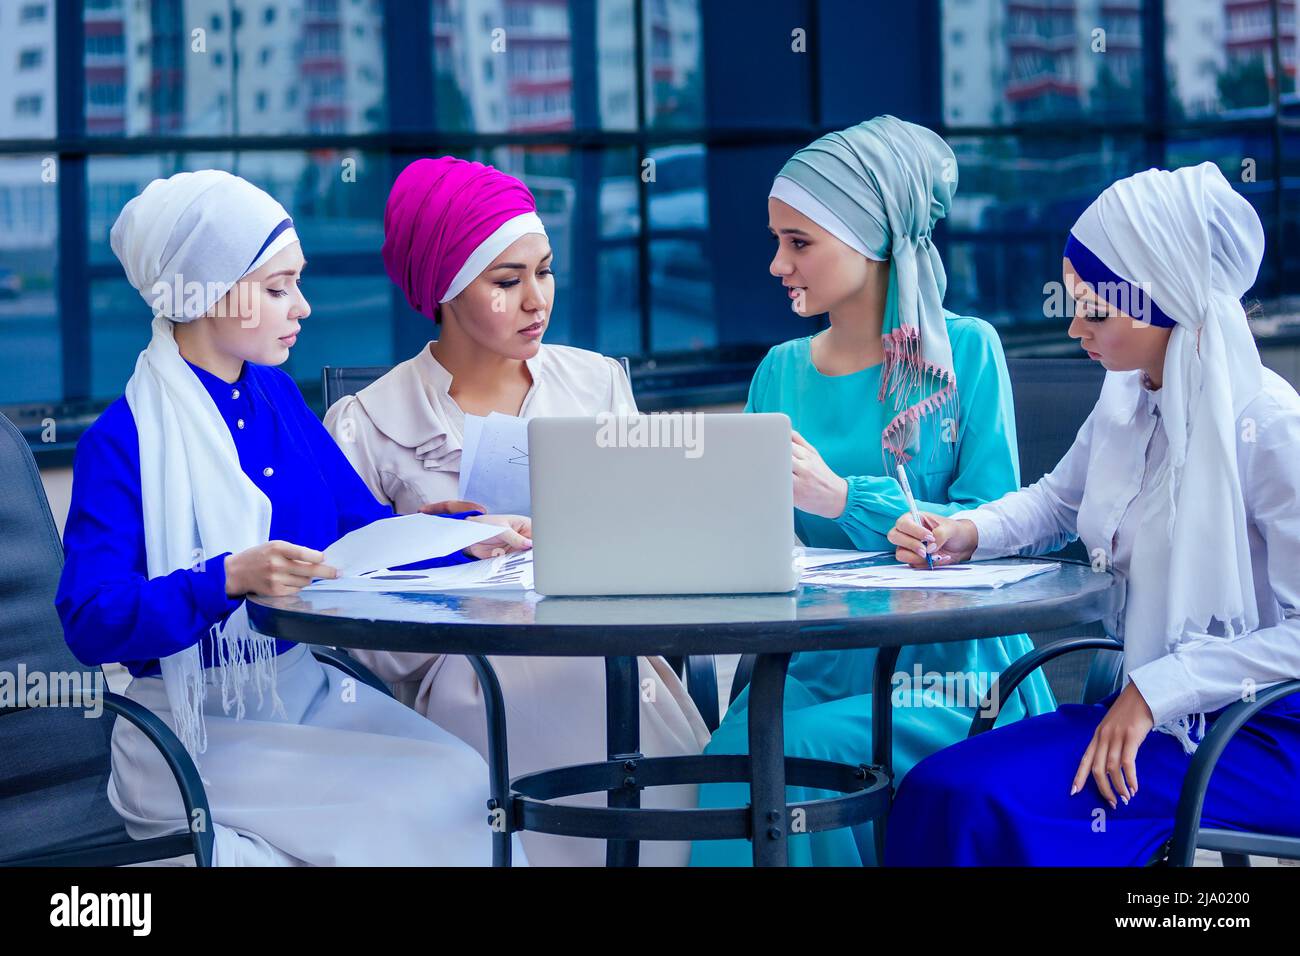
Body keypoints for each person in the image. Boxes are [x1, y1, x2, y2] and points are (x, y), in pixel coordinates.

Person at [56, 169, 529, 866]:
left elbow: (356, 537)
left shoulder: (276, 396)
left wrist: (448, 535)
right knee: (414, 805)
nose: (302, 307)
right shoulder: (122, 441)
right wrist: (223, 579)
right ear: (207, 291)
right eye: (277, 289)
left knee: (468, 783)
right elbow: (90, 619)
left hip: (306, 689)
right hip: (194, 729)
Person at [884, 162, 1300, 866]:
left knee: (982, 800)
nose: (1075, 325)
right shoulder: (1127, 400)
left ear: (1162, 299)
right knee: (939, 785)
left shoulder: (1268, 426)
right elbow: (1054, 498)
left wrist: (1156, 691)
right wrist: (966, 532)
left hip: (1261, 735)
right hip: (1166, 716)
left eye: (1094, 308)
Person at [324, 156, 710, 866]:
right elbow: (350, 618)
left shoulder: (595, 384)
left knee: (616, 693)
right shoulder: (365, 423)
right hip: (469, 677)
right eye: (507, 281)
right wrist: (441, 549)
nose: (538, 300)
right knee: (513, 697)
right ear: (441, 289)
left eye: (545, 269)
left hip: (610, 656)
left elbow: (662, 541)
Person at [690, 116, 1055, 867]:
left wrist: (844, 499)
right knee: (733, 752)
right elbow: (742, 538)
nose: (776, 265)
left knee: (794, 754)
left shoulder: (969, 354)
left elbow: (1003, 527)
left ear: (873, 237)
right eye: (776, 240)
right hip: (816, 657)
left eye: (799, 242)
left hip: (948, 670)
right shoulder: (778, 372)